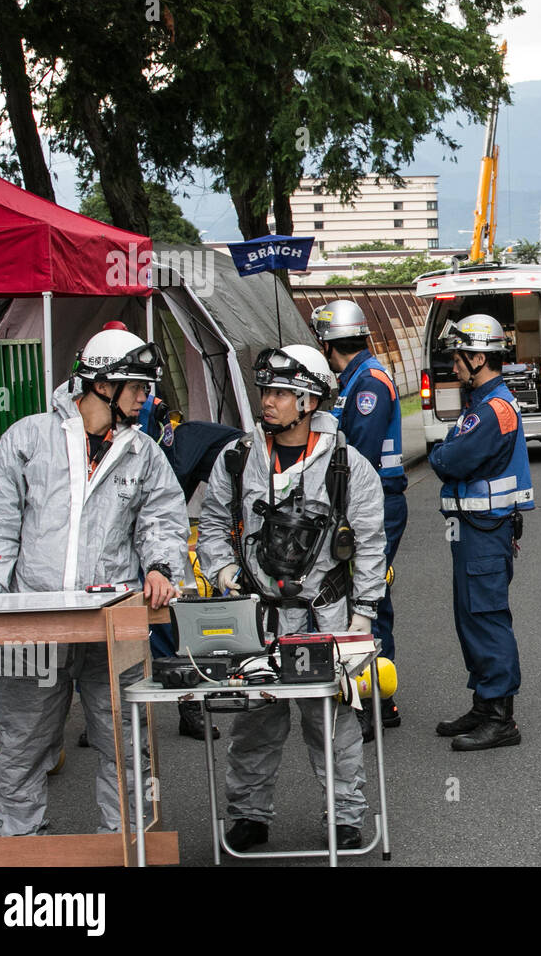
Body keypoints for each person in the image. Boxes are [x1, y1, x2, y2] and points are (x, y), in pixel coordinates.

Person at [0, 328, 187, 836]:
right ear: (100, 383)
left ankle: (129, 843)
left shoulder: (144, 452)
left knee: (128, 741)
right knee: (24, 742)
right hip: (34, 625)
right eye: (135, 385)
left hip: (114, 625)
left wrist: (160, 567)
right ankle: (19, 845)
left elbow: (164, 520)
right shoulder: (29, 438)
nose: (144, 396)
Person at [196, 344, 386, 852]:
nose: (268, 401)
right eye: (265, 391)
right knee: (255, 721)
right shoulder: (237, 460)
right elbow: (213, 523)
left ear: (308, 402)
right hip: (256, 615)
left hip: (324, 614)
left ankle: (345, 818)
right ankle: (249, 816)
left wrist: (364, 615)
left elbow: (369, 543)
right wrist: (224, 572)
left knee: (331, 721)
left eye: (280, 392)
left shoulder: (347, 467)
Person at [428, 314, 533, 751]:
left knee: (486, 617)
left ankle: (500, 718)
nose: (454, 366)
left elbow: (448, 462)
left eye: (458, 357)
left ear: (477, 357)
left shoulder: (492, 411)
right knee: (471, 614)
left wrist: (441, 453)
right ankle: (483, 701)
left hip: (483, 531)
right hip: (477, 530)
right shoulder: (485, 404)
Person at [309, 301, 407, 739]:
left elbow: (358, 461)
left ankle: (376, 700)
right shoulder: (356, 381)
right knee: (360, 597)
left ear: (330, 343)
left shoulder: (368, 384)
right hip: (367, 503)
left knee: (368, 598)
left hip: (374, 504)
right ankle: (371, 694)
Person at [138, 394, 244, 741]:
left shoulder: (177, 442)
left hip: (157, 535)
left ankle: (189, 704)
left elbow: (169, 489)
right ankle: (115, 713)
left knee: (173, 615)